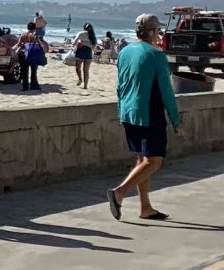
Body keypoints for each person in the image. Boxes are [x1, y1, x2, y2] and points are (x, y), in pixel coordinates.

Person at [110, 13, 181, 221]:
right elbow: (166, 91)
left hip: (128, 112)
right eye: (158, 30)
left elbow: (120, 85)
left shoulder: (124, 52)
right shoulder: (156, 55)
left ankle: (145, 207)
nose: (159, 34)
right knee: (154, 161)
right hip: (149, 113)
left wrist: (121, 111)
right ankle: (119, 192)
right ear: (152, 32)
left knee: (142, 159)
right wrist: (176, 121)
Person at [17, 27, 46, 92]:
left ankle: (25, 87)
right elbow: (41, 45)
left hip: (25, 55)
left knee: (24, 72)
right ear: (34, 29)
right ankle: (33, 86)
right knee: (34, 72)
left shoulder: (23, 35)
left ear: (27, 28)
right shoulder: (36, 36)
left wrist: (23, 45)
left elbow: (19, 44)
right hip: (34, 56)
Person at [72, 24, 96, 89]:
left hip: (81, 51)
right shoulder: (92, 35)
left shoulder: (81, 33)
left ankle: (80, 79)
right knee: (86, 70)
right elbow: (93, 46)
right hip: (88, 52)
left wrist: (78, 43)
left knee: (78, 67)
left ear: (84, 28)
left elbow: (74, 42)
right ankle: (85, 85)